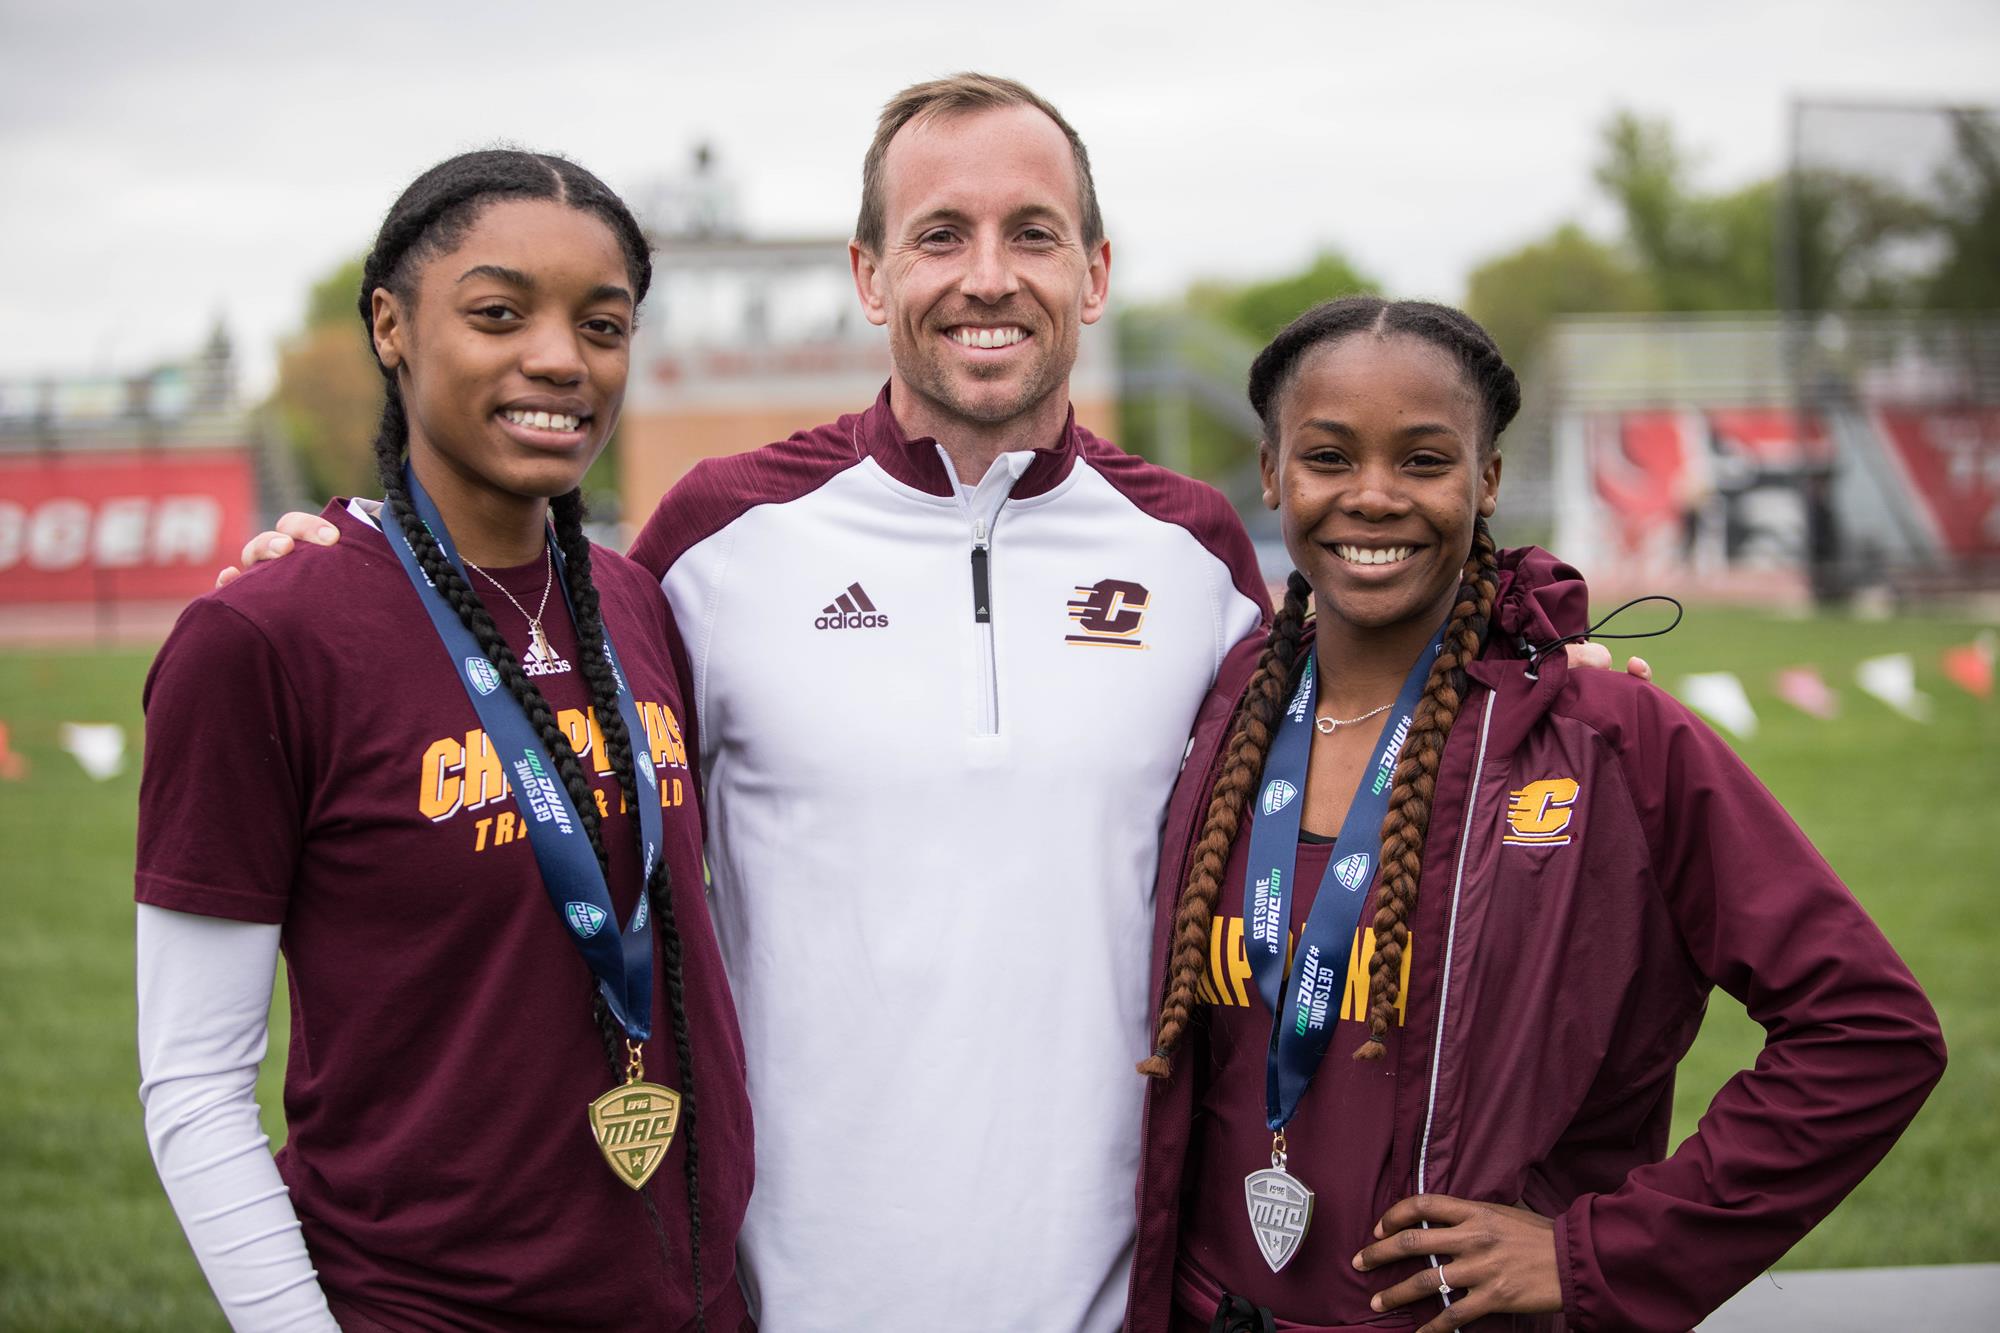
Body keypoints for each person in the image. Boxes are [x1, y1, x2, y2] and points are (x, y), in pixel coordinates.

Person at [220, 79, 1641, 1332]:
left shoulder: (1193, 547)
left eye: (1033, 234)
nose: (987, 276)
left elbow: (1364, 701)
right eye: (940, 235)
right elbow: (540, 671)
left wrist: (1544, 677)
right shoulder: (715, 538)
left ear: (1094, 273)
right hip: (773, 1294)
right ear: (869, 272)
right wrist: (345, 564)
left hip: (1116, 1293)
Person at [1123, 297, 1945, 1333]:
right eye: (1328, 457)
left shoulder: (1603, 738)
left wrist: (1598, 1251)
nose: (1371, 495)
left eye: (1424, 460)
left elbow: (1868, 1032)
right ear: (1273, 471)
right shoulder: (1213, 710)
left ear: (1487, 480)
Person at [137, 150, 752, 1331]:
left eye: (602, 325)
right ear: (391, 326)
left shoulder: (636, 602)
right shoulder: (264, 637)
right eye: (498, 314)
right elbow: (195, 1084)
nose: (561, 359)